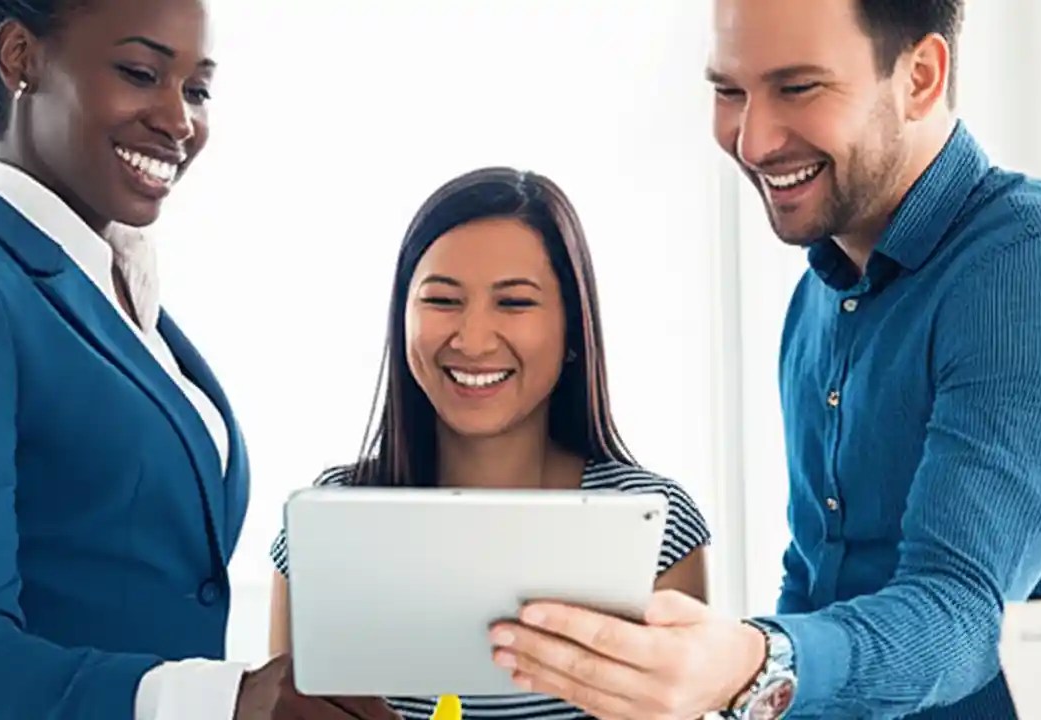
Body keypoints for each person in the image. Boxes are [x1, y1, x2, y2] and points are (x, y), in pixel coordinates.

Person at [486, 0, 1041, 718]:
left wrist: (750, 663)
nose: (752, 140)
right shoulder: (820, 295)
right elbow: (818, 580)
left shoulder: (1035, 265)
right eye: (729, 90)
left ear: (920, 77)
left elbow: (962, 613)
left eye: (798, 88)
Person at [0, 1, 394, 719]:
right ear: (20, 57)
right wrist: (227, 701)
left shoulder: (122, 293)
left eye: (197, 89)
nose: (179, 121)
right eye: (141, 72)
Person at [267, 167, 713, 719]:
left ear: (573, 328)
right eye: (442, 300)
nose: (473, 341)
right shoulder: (325, 521)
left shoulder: (656, 527)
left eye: (515, 303)